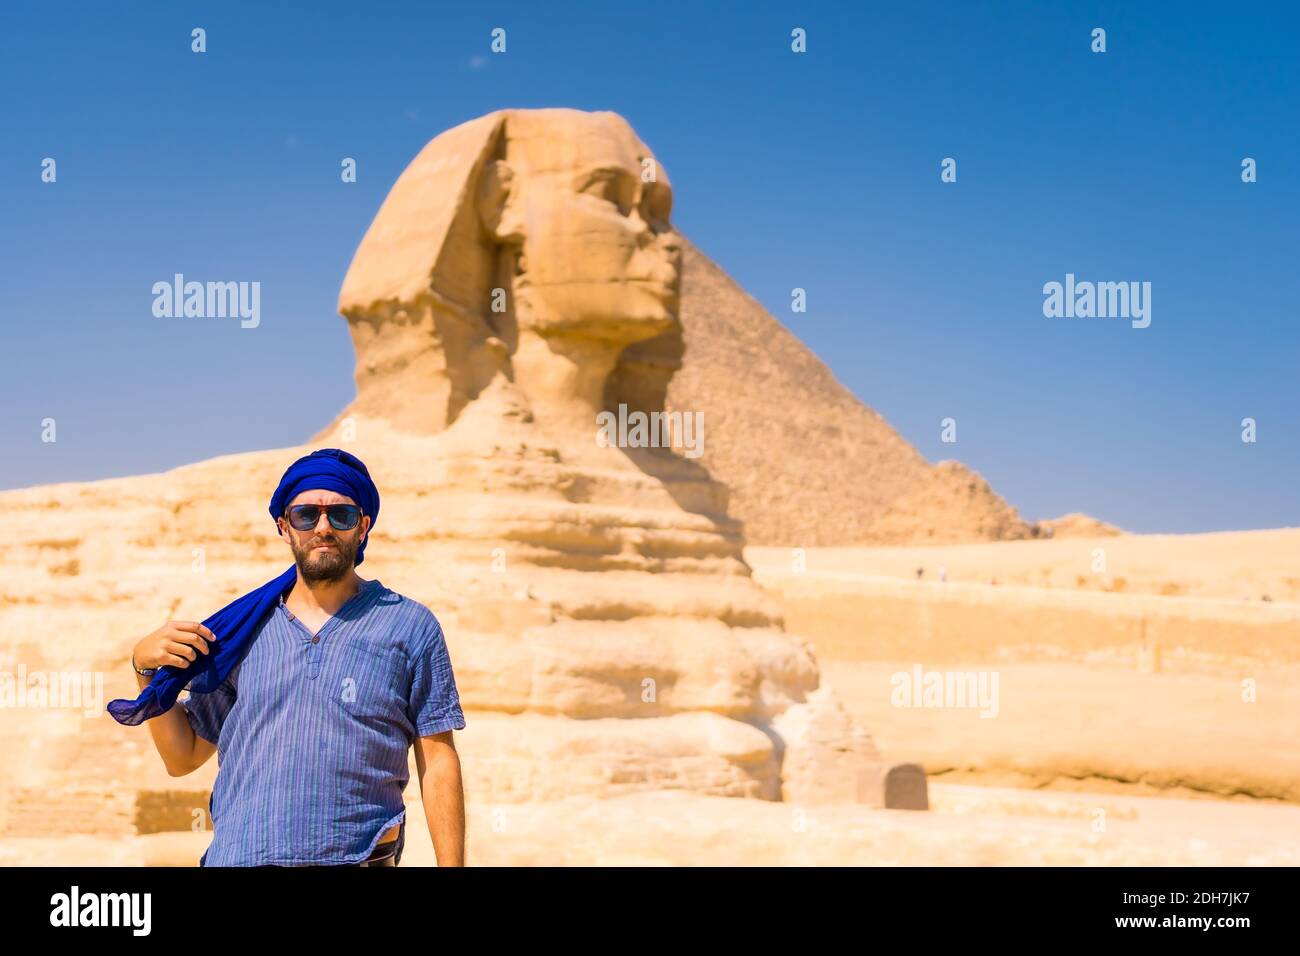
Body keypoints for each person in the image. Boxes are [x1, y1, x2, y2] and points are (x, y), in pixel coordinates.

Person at [113, 448, 466, 866]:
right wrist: (144, 670)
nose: (323, 528)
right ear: (284, 527)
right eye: (306, 515)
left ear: (363, 526)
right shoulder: (240, 634)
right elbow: (182, 757)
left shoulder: (409, 625)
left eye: (341, 515)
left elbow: (438, 756)